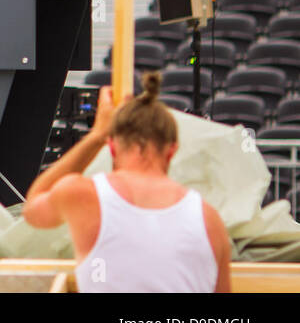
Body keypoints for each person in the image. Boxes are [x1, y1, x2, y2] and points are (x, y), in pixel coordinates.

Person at [23, 71, 232, 293]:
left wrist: (96, 136)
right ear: (172, 150)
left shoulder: (83, 194)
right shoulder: (210, 221)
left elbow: (33, 207)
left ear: (111, 146)